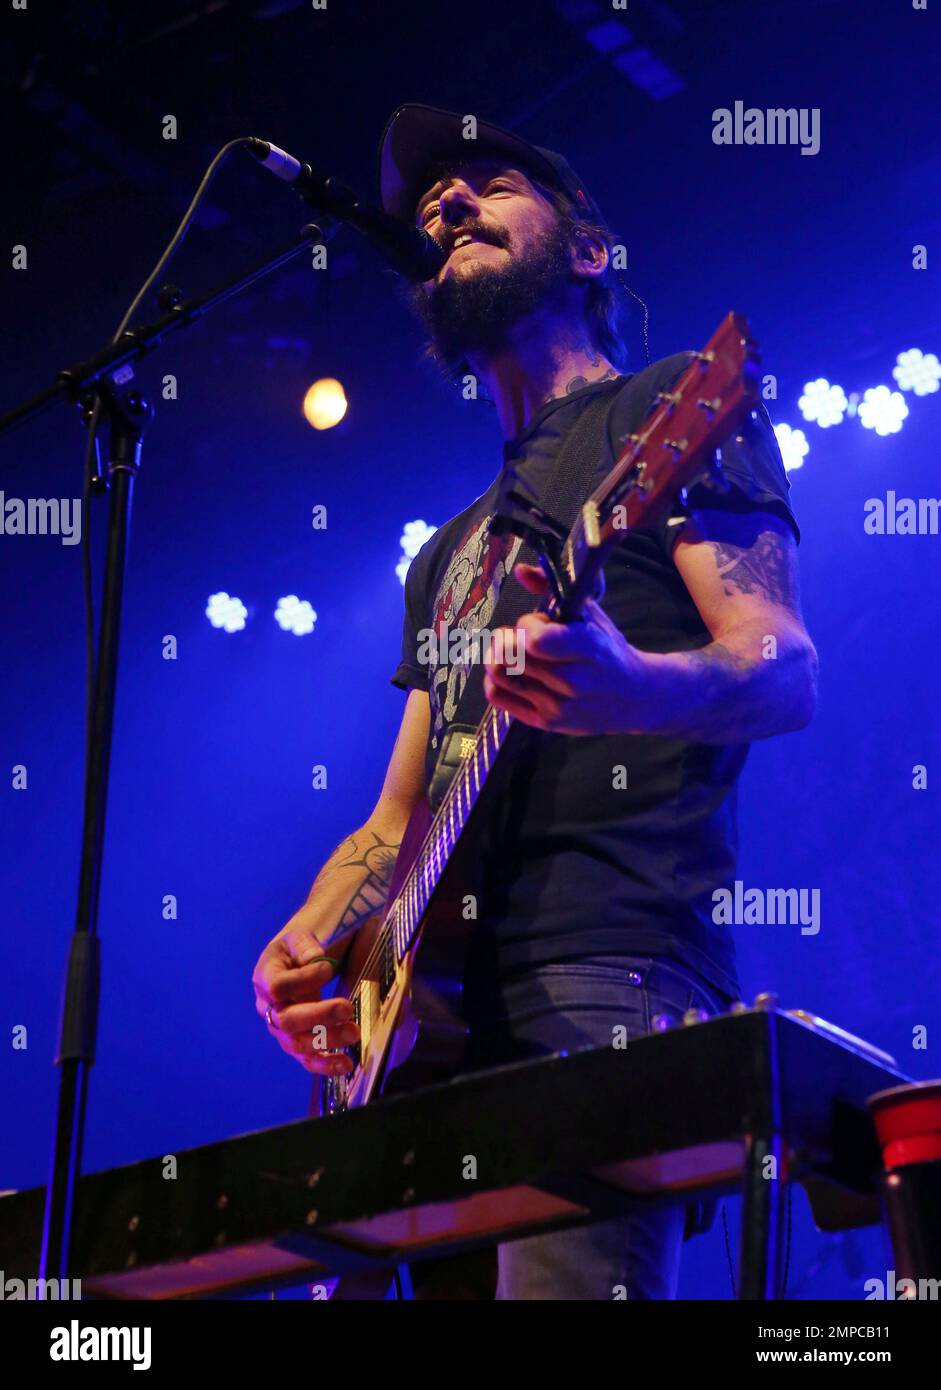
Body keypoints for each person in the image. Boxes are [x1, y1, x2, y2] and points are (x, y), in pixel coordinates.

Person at [251, 104, 818, 1299]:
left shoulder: (665, 411)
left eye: (489, 185)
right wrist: (313, 938)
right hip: (430, 1027)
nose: (445, 205)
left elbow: (781, 667)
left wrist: (629, 685)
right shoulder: (444, 552)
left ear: (588, 249)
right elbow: (398, 817)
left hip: (605, 969)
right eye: (429, 205)